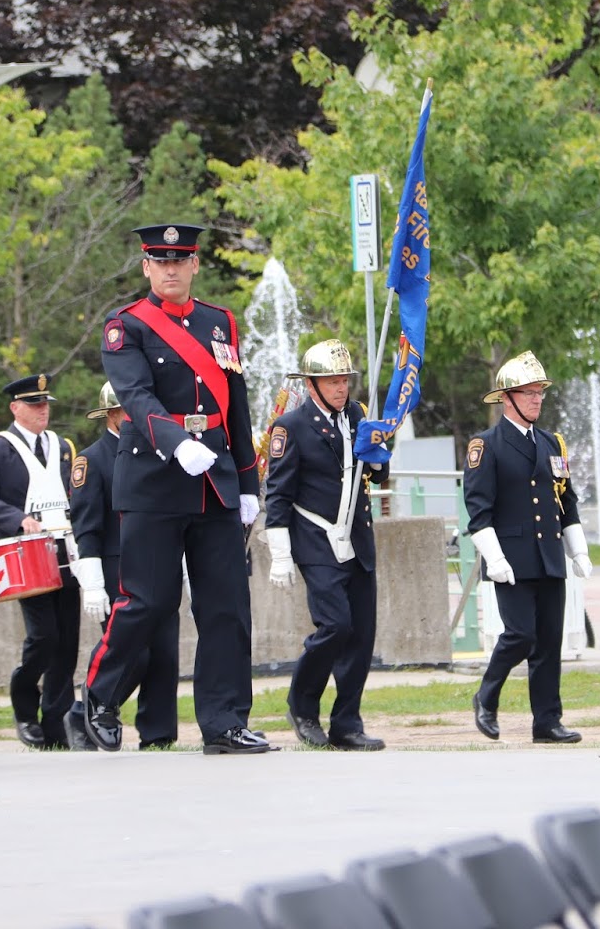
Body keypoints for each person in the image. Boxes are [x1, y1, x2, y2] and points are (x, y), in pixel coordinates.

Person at [81, 222, 268, 756]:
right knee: (147, 601)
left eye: (179, 260)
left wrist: (247, 480)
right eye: (159, 261)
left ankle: (225, 722)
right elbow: (135, 396)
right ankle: (99, 696)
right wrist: (173, 441)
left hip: (214, 481)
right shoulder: (126, 326)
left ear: (194, 265)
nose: (169, 269)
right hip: (155, 478)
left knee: (226, 608)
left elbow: (236, 406)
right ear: (145, 267)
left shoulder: (219, 322)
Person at [265, 339, 389, 751]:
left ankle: (347, 723)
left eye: (344, 380)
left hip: (356, 537)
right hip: (315, 538)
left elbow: (379, 474)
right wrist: (280, 554)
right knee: (335, 625)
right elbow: (279, 494)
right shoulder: (291, 426)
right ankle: (302, 706)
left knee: (361, 635)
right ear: (312, 385)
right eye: (332, 381)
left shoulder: (358, 415)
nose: (341, 388)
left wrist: (376, 452)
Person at [465, 351, 590, 746]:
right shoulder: (486, 445)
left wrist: (579, 550)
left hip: (549, 556)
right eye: (528, 392)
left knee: (549, 640)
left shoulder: (552, 443)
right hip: (512, 559)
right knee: (519, 634)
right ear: (507, 398)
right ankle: (486, 695)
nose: (536, 399)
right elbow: (478, 511)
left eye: (539, 392)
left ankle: (547, 721)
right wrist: (495, 558)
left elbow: (564, 500)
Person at [0, 373, 81, 749]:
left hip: (65, 551)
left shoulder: (63, 446)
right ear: (15, 408)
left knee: (68, 641)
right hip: (25, 555)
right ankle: (25, 703)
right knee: (44, 635)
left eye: (45, 403)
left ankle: (57, 721)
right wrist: (17, 519)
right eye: (34, 404)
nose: (42, 410)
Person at [67, 380, 180, 751]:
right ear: (113, 415)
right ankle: (91, 708)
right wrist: (93, 581)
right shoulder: (92, 459)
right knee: (133, 650)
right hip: (117, 569)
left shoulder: (157, 452)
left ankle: (158, 732)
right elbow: (86, 525)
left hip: (158, 563)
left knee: (163, 651)